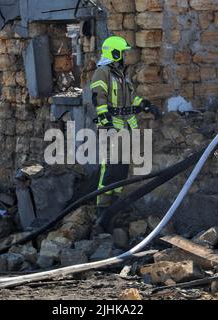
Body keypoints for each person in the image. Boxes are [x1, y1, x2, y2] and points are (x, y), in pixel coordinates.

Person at [89, 35, 161, 233]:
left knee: (121, 169)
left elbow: (131, 99)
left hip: (125, 127)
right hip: (112, 127)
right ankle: (102, 211)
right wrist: (106, 123)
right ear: (114, 53)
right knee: (109, 168)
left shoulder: (121, 75)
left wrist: (146, 105)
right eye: (122, 53)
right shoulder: (102, 73)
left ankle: (115, 207)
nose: (125, 57)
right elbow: (98, 100)